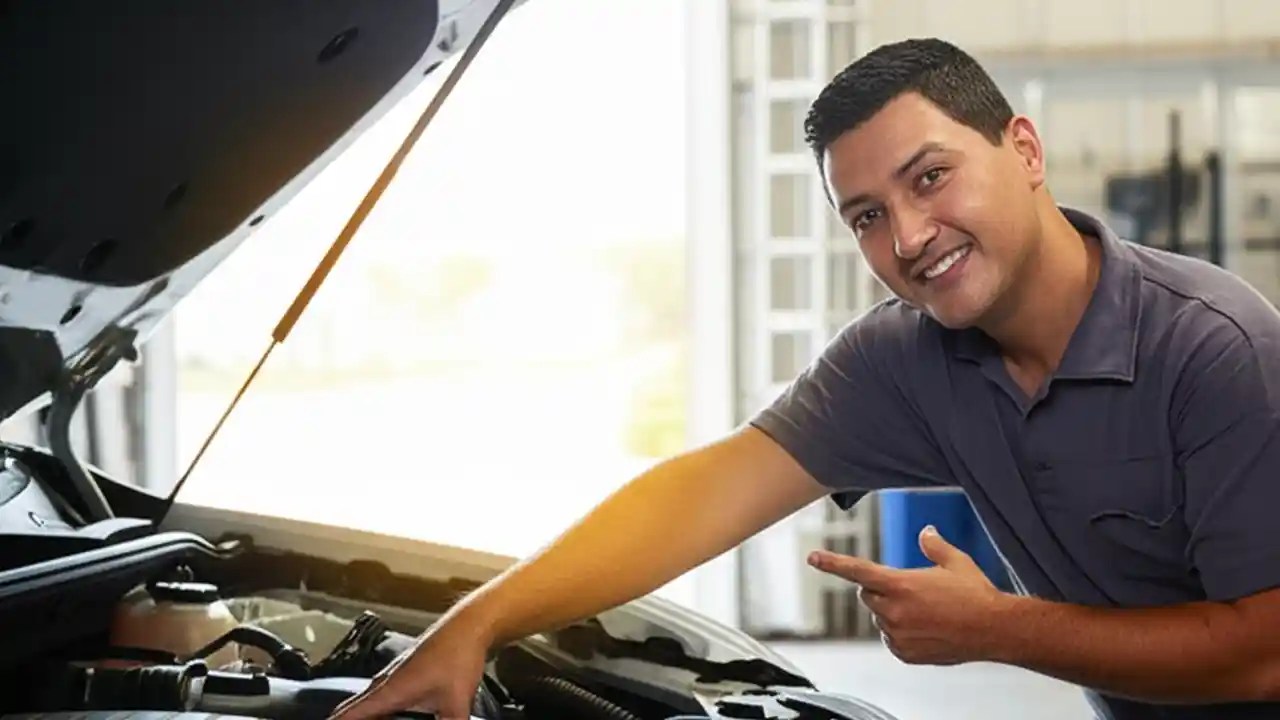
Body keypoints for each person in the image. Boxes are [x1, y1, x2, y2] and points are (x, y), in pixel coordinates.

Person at [330, 38, 1280, 720]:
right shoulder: (908, 358)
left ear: (1024, 151)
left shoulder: (1213, 350)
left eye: (931, 177)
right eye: (866, 215)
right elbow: (701, 493)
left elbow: (1263, 654)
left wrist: (1001, 630)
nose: (907, 238)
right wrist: (476, 622)